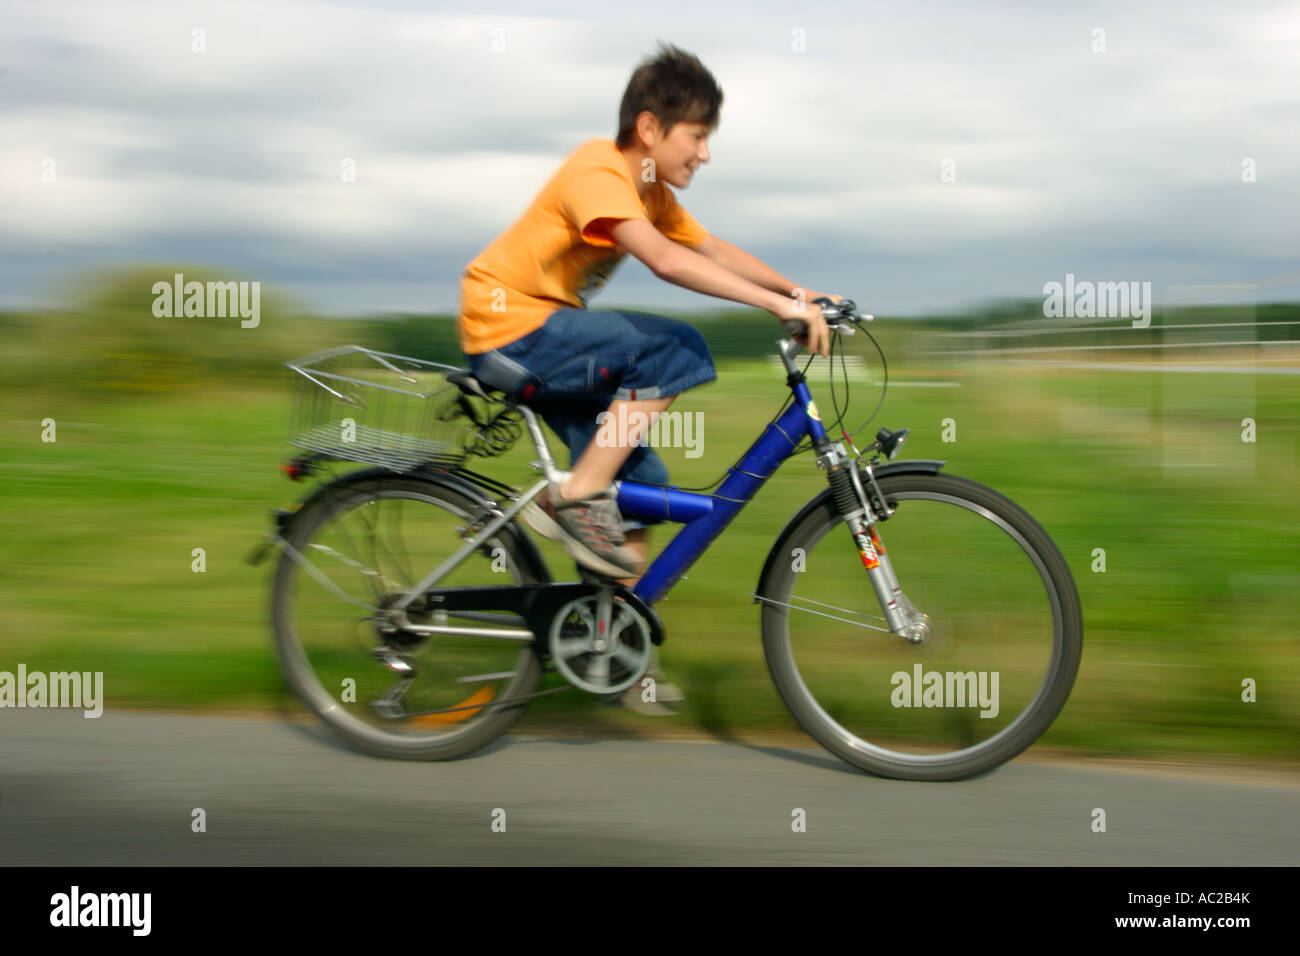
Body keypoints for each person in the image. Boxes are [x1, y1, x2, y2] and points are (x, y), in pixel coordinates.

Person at [457, 41, 837, 713]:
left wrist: (800, 292)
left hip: (547, 335)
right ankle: (576, 497)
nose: (706, 153)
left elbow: (710, 248)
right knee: (675, 347)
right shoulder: (597, 172)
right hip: (511, 331)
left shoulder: (651, 191)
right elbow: (665, 261)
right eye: (698, 135)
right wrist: (778, 308)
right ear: (651, 129)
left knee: (645, 485)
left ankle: (610, 648)